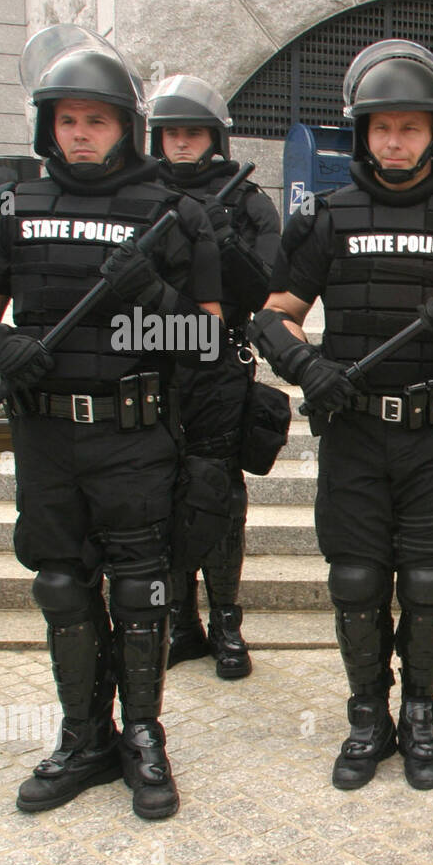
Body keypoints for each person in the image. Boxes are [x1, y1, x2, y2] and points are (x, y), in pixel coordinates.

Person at [248, 40, 433, 792]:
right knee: (355, 580)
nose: (396, 141)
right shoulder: (325, 220)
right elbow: (272, 319)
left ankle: (421, 718)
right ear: (362, 132)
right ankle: (366, 717)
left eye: (411, 127)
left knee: (431, 583)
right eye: (382, 128)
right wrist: (308, 366)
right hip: (354, 437)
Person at [0, 26, 223, 819]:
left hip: (134, 436)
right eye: (67, 120)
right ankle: (84, 738)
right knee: (61, 585)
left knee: (142, 590)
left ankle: (143, 737)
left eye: (96, 120)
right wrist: (2, 344)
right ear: (47, 125)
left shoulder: (172, 215)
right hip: (46, 435)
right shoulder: (12, 206)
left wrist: (147, 294)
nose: (80, 134)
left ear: (123, 127)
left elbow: (208, 337)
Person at [152, 75, 282, 679]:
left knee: (220, 492)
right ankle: (181, 621)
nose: (181, 144)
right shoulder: (141, 192)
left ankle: (227, 620)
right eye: (171, 133)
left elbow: (269, 287)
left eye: (193, 133)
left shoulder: (248, 201)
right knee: (159, 488)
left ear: (215, 138)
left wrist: (222, 237)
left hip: (220, 361)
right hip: (153, 359)